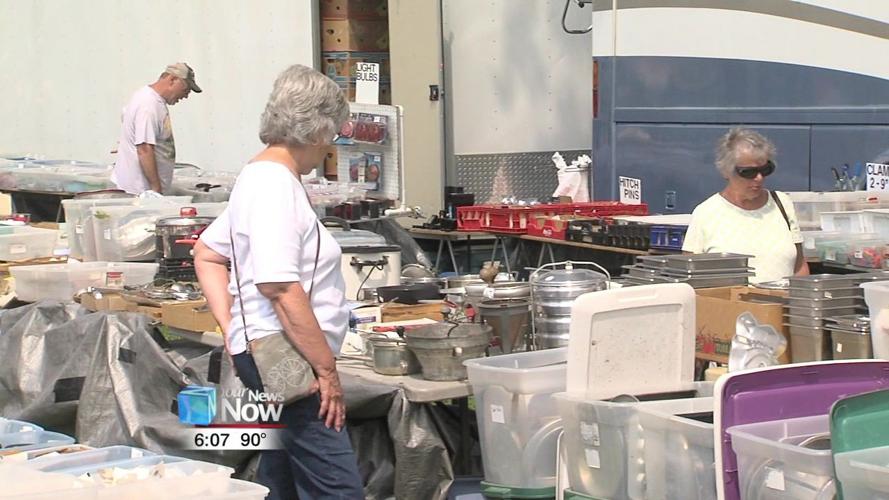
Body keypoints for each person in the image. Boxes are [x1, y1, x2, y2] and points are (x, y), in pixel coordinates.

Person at [193, 64, 363, 499]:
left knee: (281, 477)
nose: (331, 144)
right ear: (317, 129)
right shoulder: (273, 186)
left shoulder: (259, 177)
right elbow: (279, 287)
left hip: (267, 350)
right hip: (288, 357)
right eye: (333, 133)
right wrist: (326, 370)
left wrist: (234, 327)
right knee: (336, 486)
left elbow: (207, 253)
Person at [682, 127, 810, 283]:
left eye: (765, 170)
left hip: (784, 298)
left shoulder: (782, 203)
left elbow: (799, 266)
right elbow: (689, 276)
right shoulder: (706, 213)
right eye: (748, 172)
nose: (759, 178)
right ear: (726, 171)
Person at [111, 62, 202, 195]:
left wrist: (127, 142)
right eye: (186, 90)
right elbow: (144, 149)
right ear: (172, 79)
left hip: (143, 190)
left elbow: (126, 115)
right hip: (140, 191)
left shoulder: (147, 98)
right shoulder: (149, 105)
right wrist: (156, 189)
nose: (186, 96)